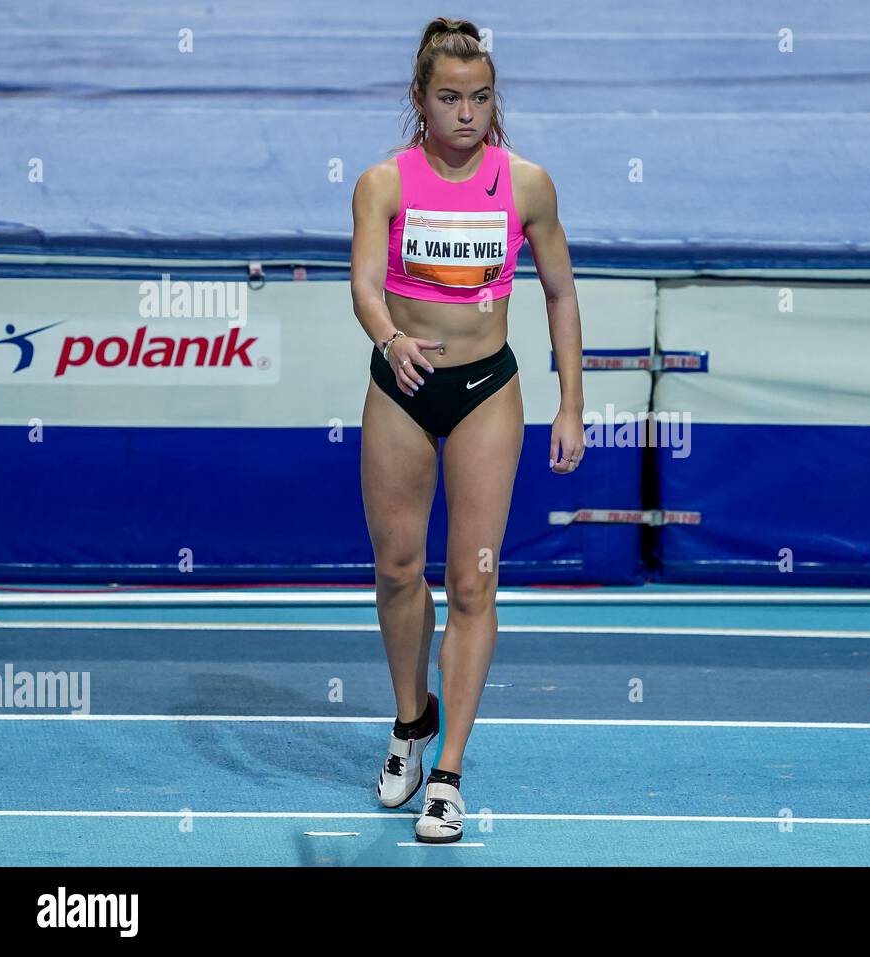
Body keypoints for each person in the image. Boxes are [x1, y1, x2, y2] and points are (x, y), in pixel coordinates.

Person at [350, 16, 584, 843]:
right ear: (419, 99)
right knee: (397, 569)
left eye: (480, 98)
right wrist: (391, 339)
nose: (466, 114)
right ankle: (412, 721)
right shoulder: (383, 183)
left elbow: (560, 292)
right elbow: (365, 287)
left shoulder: (527, 185)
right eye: (450, 98)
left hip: (487, 391)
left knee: (475, 582)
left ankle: (448, 772)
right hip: (402, 387)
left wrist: (571, 403)